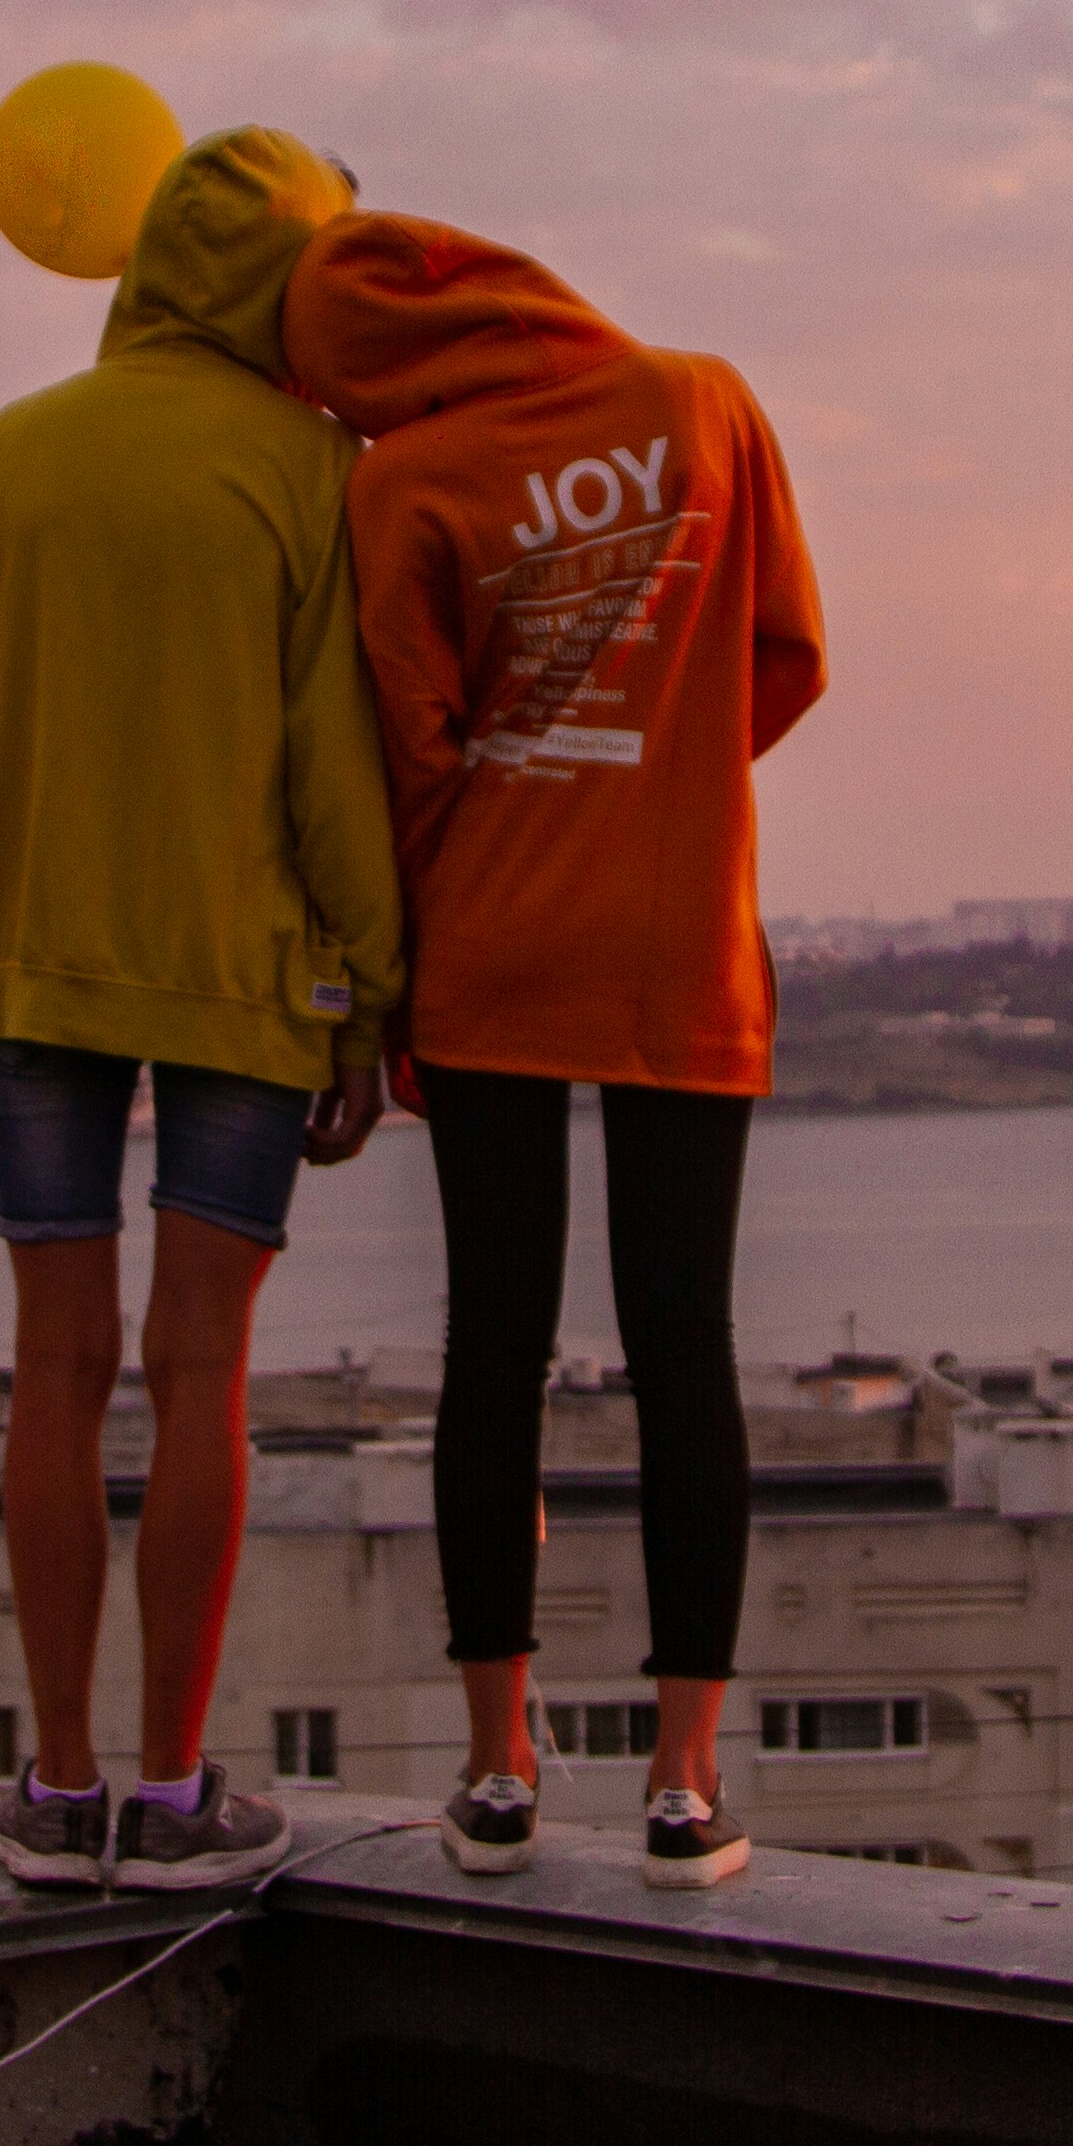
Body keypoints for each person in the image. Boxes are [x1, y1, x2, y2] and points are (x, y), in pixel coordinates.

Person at [286, 213, 822, 1887]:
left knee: (493, 1350)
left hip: (497, 938)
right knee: (688, 1351)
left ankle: (499, 1770)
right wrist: (652, 780)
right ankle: (682, 1785)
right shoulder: (707, 401)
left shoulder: (397, 485)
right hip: (676, 937)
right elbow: (787, 661)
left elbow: (415, 746)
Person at [0, 124, 402, 1892]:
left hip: (32, 961)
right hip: (243, 980)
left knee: (57, 1366)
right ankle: (179, 1796)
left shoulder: (10, 455)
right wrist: (374, 998)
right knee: (207, 1378)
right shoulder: (307, 463)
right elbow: (332, 766)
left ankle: (54, 1790)